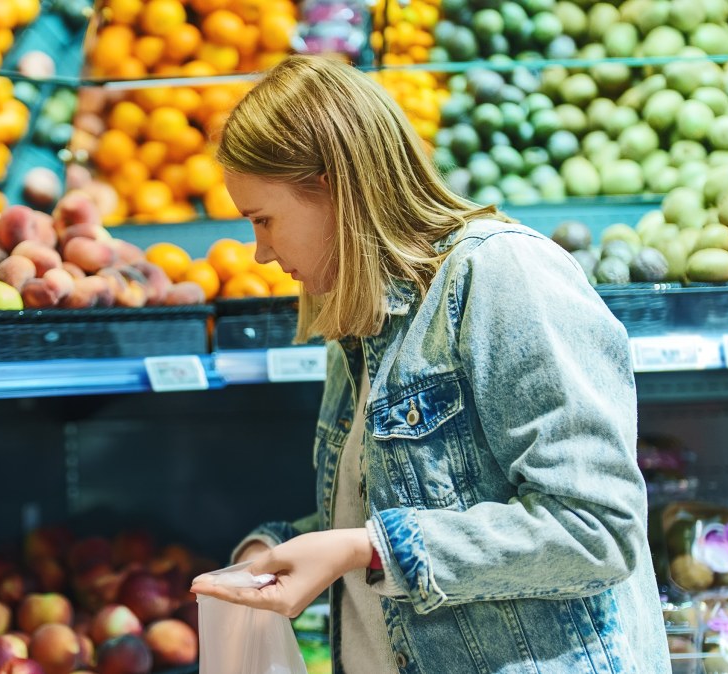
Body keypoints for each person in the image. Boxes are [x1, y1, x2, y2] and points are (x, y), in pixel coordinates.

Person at [189, 55, 670, 673]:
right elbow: (403, 499)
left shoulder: (502, 277)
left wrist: (368, 550)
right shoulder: (361, 320)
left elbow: (594, 528)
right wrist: (278, 548)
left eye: (264, 219)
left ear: (334, 187)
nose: (259, 251)